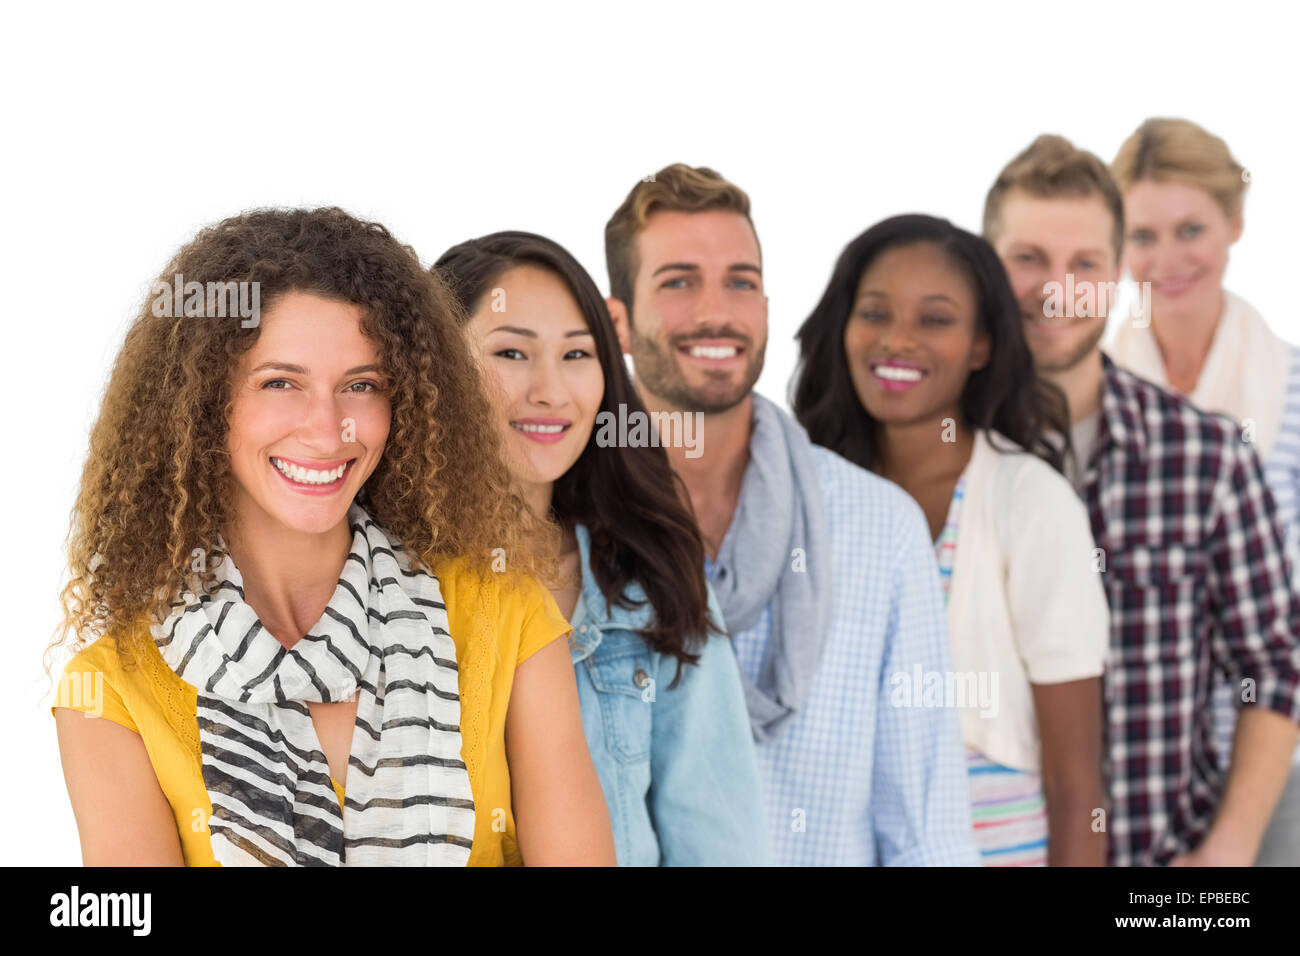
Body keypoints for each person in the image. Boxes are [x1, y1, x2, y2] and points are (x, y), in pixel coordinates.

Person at [50, 207, 614, 866]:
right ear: (206, 403)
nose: (329, 428)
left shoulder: (505, 616)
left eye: (361, 385)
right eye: (281, 383)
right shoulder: (111, 692)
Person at [602, 164, 979, 865]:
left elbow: (926, 830)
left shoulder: (878, 528)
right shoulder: (574, 523)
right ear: (617, 321)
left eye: (740, 282)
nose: (717, 311)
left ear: (767, 307)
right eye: (678, 281)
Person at [982, 135, 1300, 866]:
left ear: (1118, 272)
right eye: (1028, 258)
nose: (1057, 288)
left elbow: (1274, 665)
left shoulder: (1208, 458)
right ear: (986, 266)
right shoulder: (937, 454)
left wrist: (1227, 850)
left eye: (1085, 264)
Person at [435, 230, 768, 865]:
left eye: (577, 355)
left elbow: (720, 843)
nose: (550, 391)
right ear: (439, 367)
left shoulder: (652, 582)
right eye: (511, 352)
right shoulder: (378, 583)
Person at [792, 213, 1109, 865]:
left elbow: (1076, 784)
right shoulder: (801, 499)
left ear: (982, 345)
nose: (897, 340)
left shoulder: (1029, 502)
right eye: (875, 312)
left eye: (934, 319)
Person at [1104, 118, 1300, 866]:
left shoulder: (1291, 391)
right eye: (1142, 236)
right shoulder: (1086, 403)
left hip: (1275, 761)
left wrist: (1231, 841)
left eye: (1191, 228)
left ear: (1236, 224)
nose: (1167, 259)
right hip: (1133, 776)